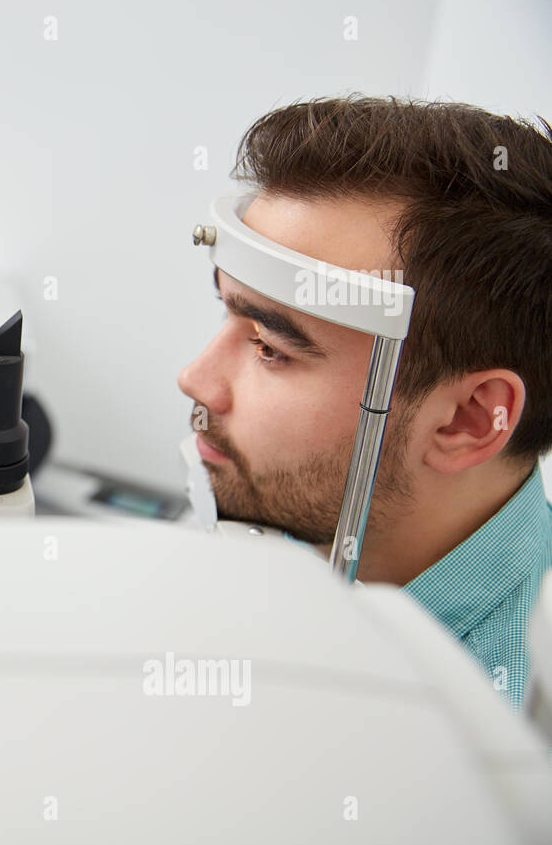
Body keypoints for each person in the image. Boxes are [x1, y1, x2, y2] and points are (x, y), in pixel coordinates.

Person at [178, 96, 552, 709]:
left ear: (467, 420)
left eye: (271, 348)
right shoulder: (280, 510)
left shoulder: (501, 742)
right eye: (227, 311)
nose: (195, 379)